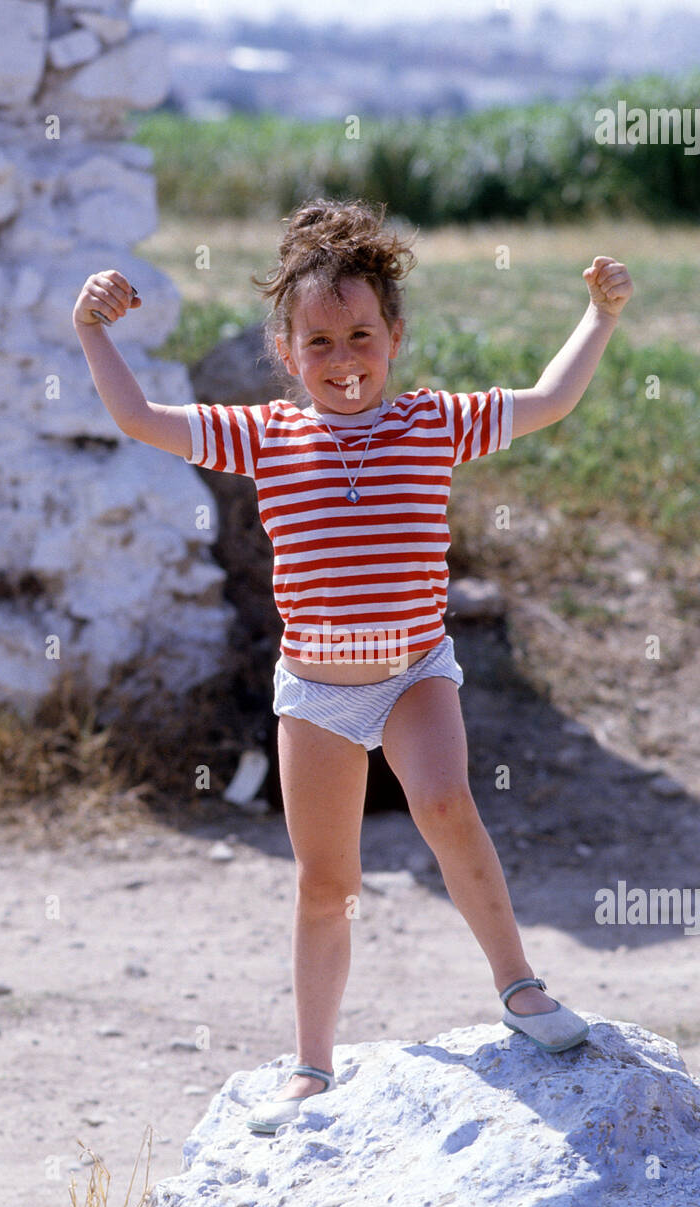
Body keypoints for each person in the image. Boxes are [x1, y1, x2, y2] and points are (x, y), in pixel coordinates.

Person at [73, 198, 633, 1135]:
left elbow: (548, 400)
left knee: (448, 806)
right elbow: (137, 417)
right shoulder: (266, 436)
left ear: (395, 336)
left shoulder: (433, 423)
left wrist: (601, 315)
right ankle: (312, 1065)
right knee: (326, 884)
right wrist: (90, 330)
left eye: (361, 335)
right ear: (288, 353)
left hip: (416, 671)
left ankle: (520, 985)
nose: (344, 359)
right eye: (320, 341)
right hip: (318, 696)